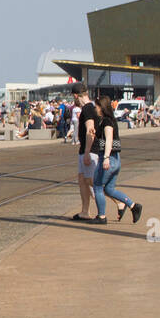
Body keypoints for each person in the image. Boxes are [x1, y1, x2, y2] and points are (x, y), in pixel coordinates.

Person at [91, 95, 141, 225]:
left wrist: (106, 158)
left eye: (96, 106)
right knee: (109, 189)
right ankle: (133, 206)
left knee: (97, 186)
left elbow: (109, 139)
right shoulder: (109, 120)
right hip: (116, 159)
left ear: (101, 107)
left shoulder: (107, 122)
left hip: (109, 158)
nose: (95, 109)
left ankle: (101, 216)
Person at [71, 83, 100, 221]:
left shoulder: (88, 109)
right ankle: (84, 211)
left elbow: (90, 130)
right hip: (85, 149)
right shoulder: (89, 108)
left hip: (90, 149)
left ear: (76, 96)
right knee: (82, 179)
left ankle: (121, 202)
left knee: (93, 181)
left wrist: (87, 152)